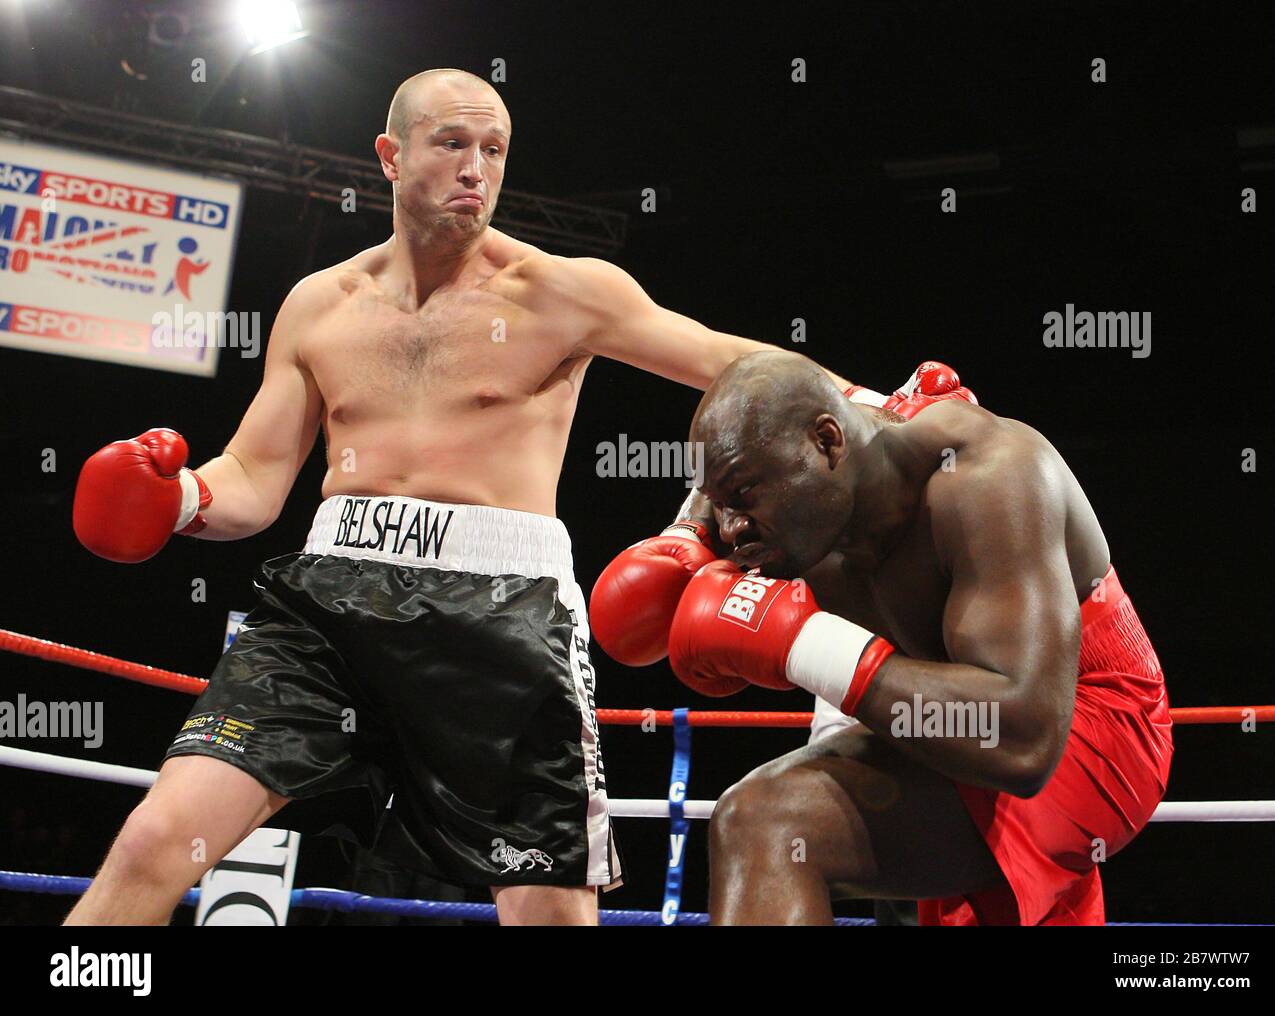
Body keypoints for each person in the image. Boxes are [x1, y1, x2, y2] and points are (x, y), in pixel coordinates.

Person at [65, 69, 868, 926]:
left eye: (493, 150)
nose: (475, 169)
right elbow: (256, 481)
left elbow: (730, 361)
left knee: (547, 911)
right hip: (327, 599)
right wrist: (179, 497)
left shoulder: (559, 291)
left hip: (504, 610)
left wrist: (893, 410)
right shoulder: (317, 305)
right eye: (452, 144)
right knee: (157, 841)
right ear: (390, 154)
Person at [664, 349, 1173, 925]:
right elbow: (738, 443)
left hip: (1083, 720)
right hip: (938, 713)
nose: (732, 530)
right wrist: (678, 537)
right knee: (758, 822)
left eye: (743, 497)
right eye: (721, 503)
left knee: (768, 822)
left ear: (828, 443)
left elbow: (1024, 741)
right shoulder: (795, 487)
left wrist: (802, 643)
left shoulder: (988, 477)